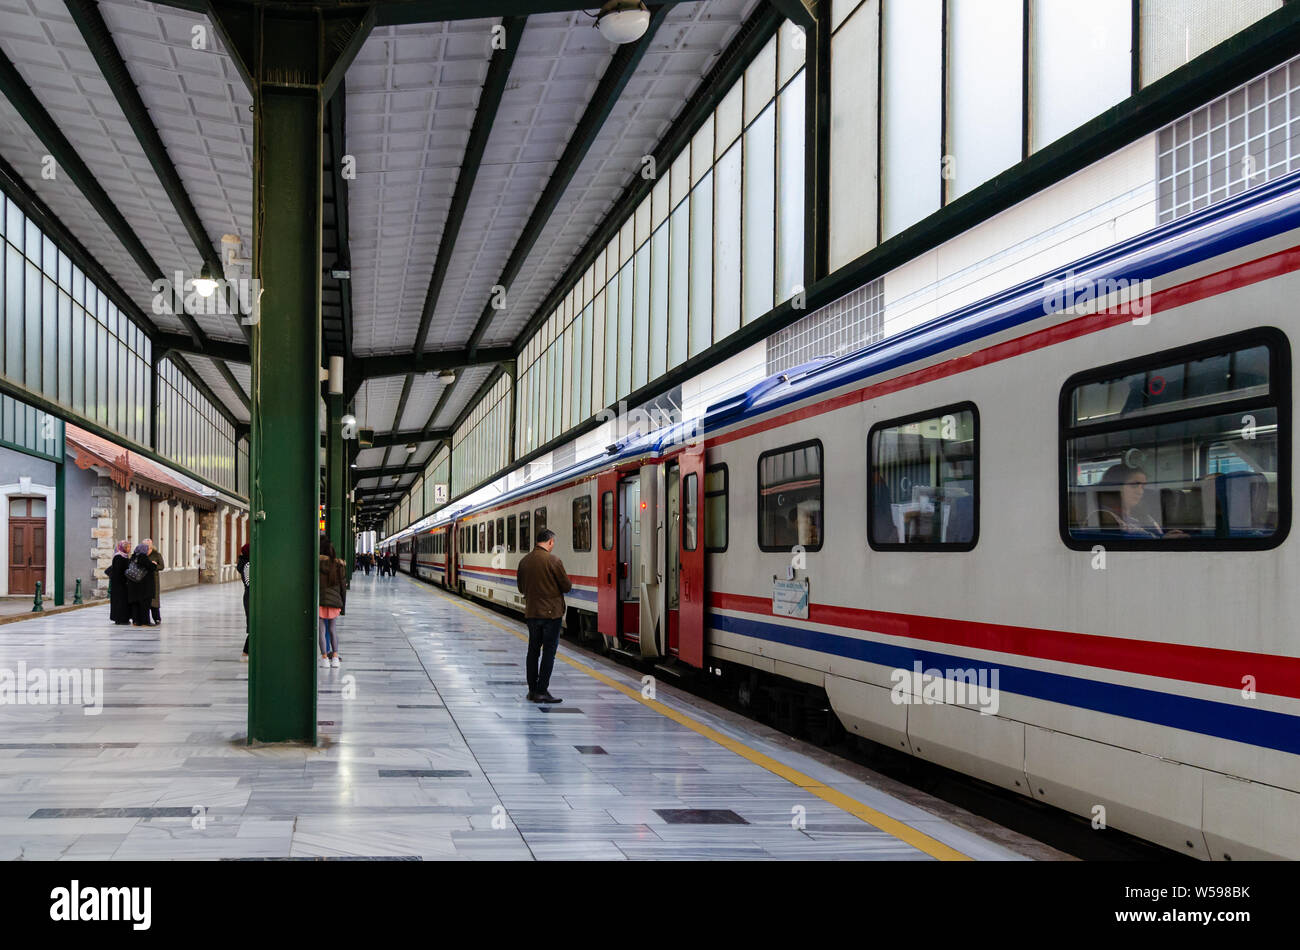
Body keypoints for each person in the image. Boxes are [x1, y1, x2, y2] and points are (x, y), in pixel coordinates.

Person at [516, 527, 571, 704]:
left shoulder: (524, 561)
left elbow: (521, 588)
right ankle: (542, 690)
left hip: (532, 613)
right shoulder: (553, 560)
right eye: (553, 543)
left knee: (532, 651)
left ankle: (532, 690)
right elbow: (566, 586)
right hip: (551, 615)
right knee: (549, 652)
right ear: (550, 542)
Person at [1096, 463, 1187, 539]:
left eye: (1143, 487)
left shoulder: (1140, 514)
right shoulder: (1104, 515)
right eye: (1134, 485)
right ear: (1114, 487)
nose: (1140, 492)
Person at [319, 534, 347, 669]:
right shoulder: (339, 566)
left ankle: (324, 659)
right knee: (332, 629)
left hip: (320, 601)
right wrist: (343, 606)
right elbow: (343, 587)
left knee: (321, 631)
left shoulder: (317, 565)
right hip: (335, 602)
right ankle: (335, 657)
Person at [124, 543, 158, 626]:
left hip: (133, 584)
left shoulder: (133, 557)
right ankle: (145, 621)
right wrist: (154, 564)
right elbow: (151, 567)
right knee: (145, 604)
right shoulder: (143, 557)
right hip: (144, 586)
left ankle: (136, 621)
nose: (148, 551)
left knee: (135, 604)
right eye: (147, 549)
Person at [106, 540, 131, 625]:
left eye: (129, 547)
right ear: (123, 548)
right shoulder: (118, 557)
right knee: (119, 602)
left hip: (123, 584)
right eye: (127, 547)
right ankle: (119, 619)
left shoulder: (125, 556)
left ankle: (124, 618)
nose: (129, 549)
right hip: (119, 584)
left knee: (123, 602)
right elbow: (118, 572)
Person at [144, 538, 165, 624]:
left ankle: (157, 618)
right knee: (145, 600)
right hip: (143, 579)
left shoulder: (156, 554)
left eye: (147, 545)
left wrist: (154, 566)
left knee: (154, 600)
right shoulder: (141, 554)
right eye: (144, 545)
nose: (146, 546)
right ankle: (146, 619)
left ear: (151, 545)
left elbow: (162, 566)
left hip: (154, 579)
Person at [237, 543, 251, 660]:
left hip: (250, 597)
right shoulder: (247, 565)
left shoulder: (247, 564)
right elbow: (249, 582)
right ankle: (245, 653)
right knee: (254, 627)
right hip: (250, 598)